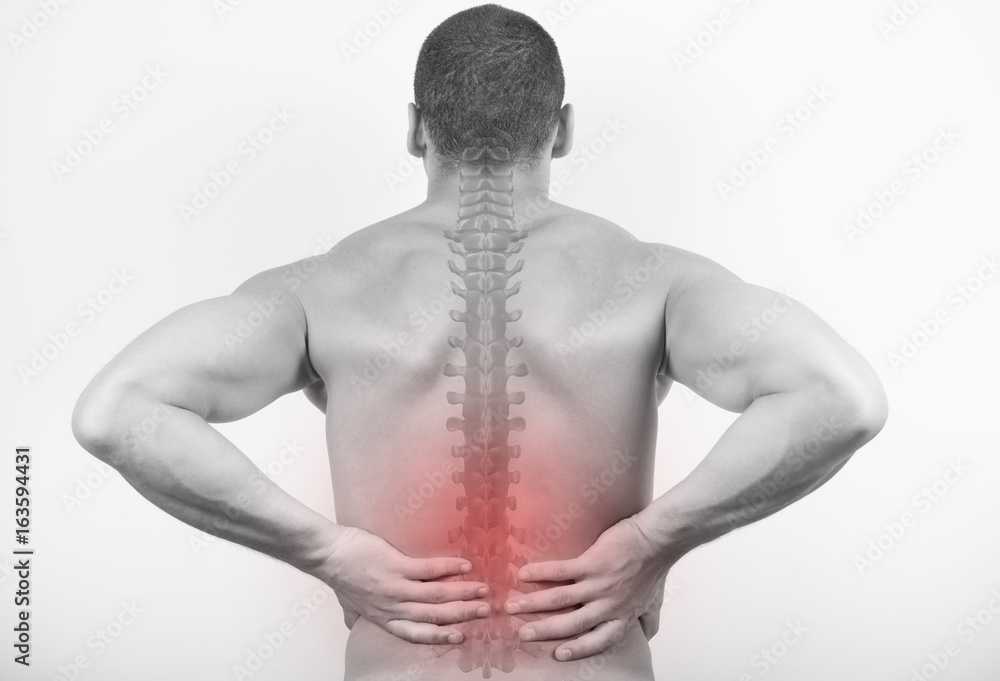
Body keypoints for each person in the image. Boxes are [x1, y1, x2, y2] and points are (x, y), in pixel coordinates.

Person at [71, 4, 888, 679]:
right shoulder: (652, 280)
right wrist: (654, 540)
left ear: (417, 130)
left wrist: (322, 550)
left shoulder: (320, 289)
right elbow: (840, 397)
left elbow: (117, 410)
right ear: (562, 130)